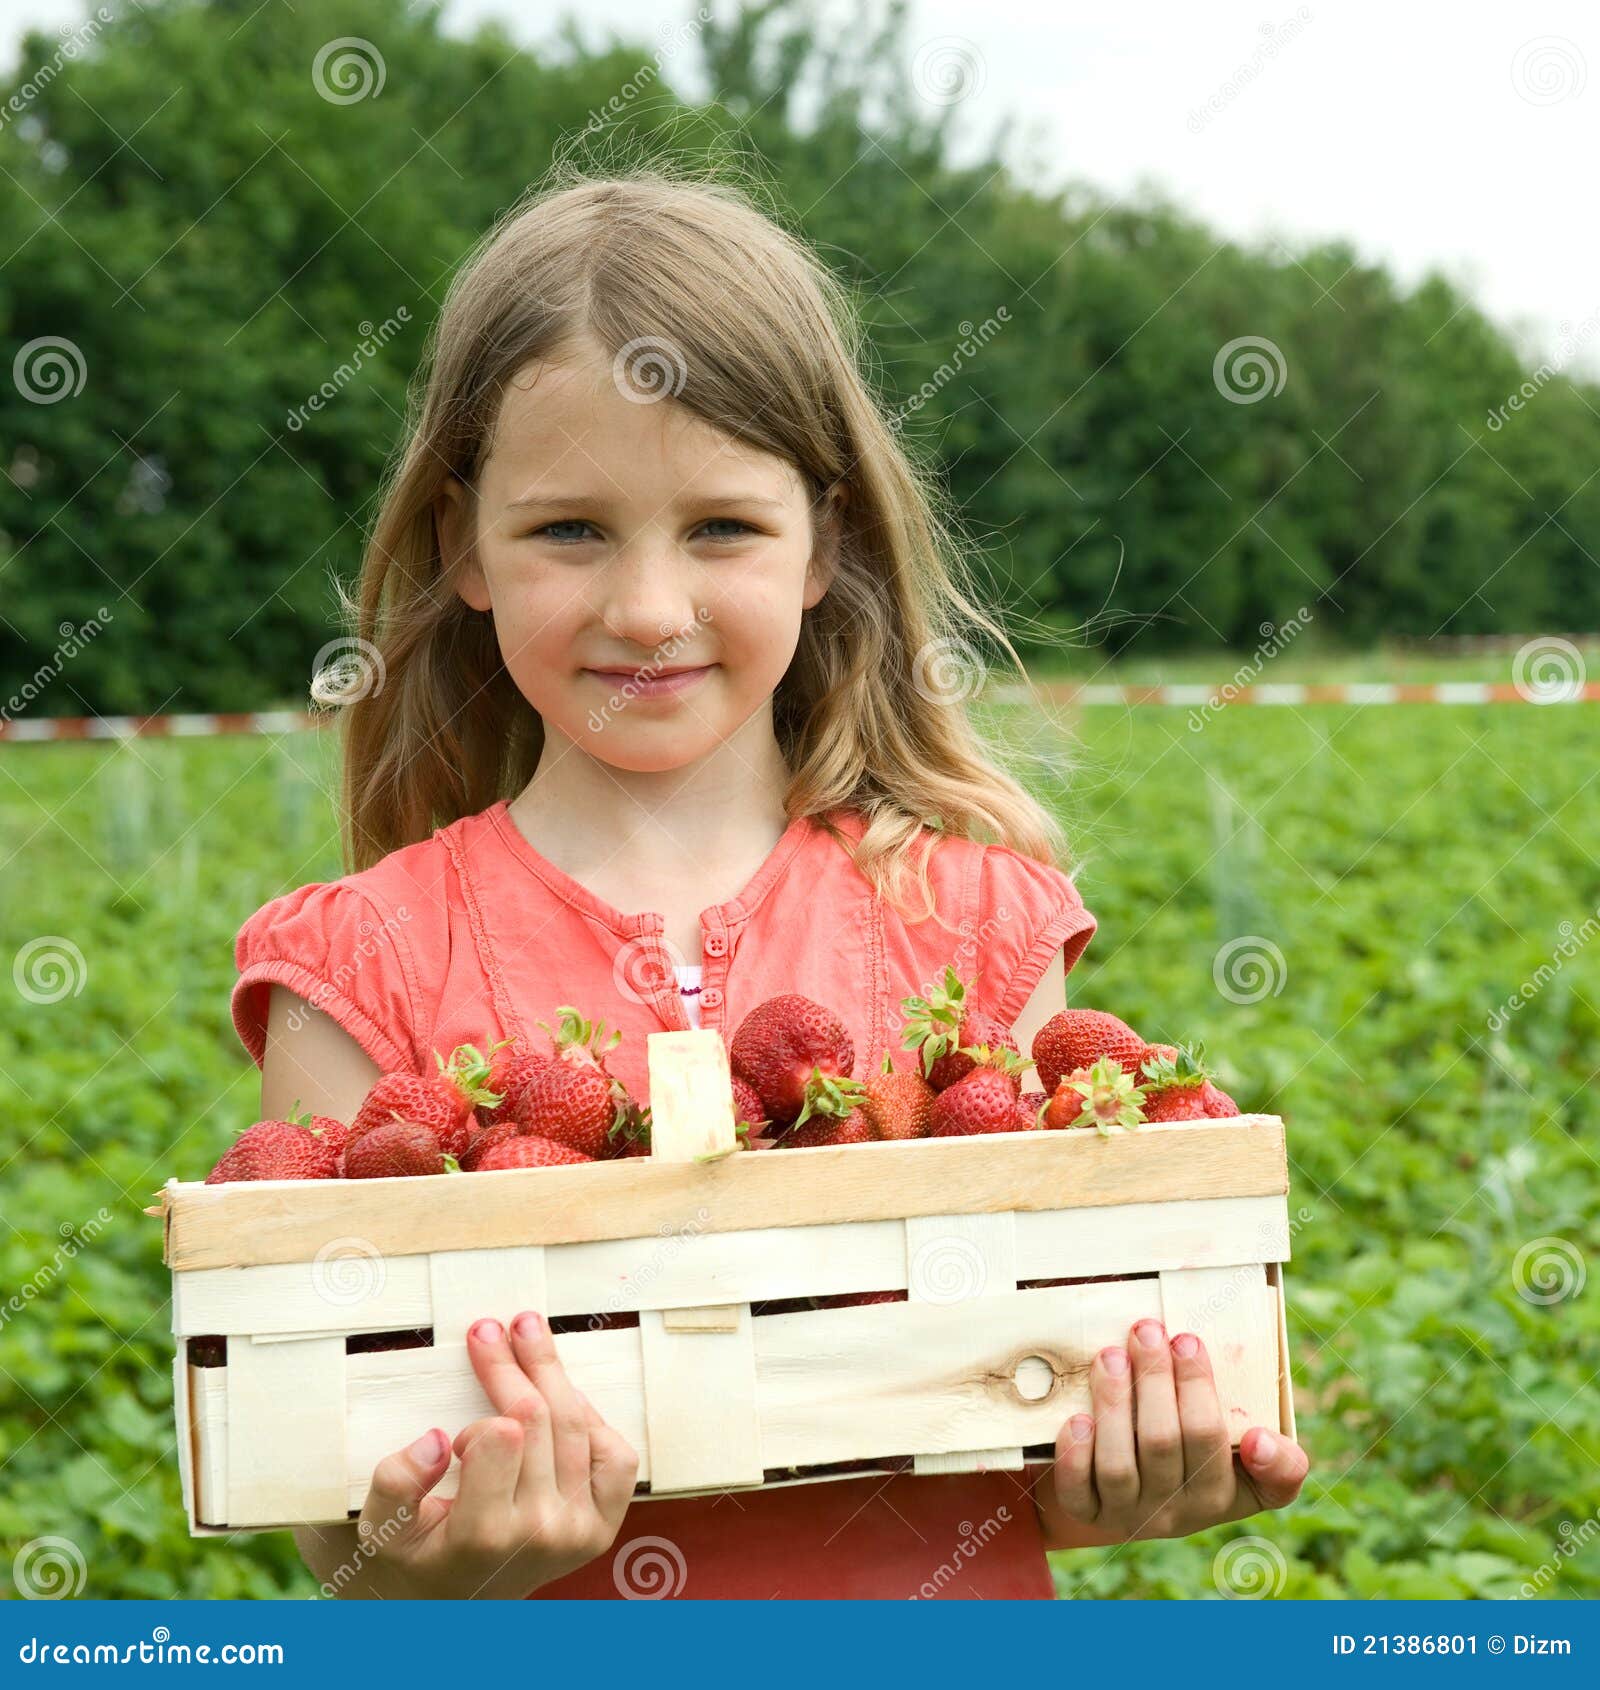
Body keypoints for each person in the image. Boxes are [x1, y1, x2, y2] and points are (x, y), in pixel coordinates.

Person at [232, 168, 1309, 1599]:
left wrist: (1128, 1468)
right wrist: (430, 1557)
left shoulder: (973, 928)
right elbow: (326, 1511)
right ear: (459, 546)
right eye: (570, 530)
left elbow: (1008, 1419)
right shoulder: (360, 965)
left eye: (722, 528)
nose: (650, 609)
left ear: (829, 543)